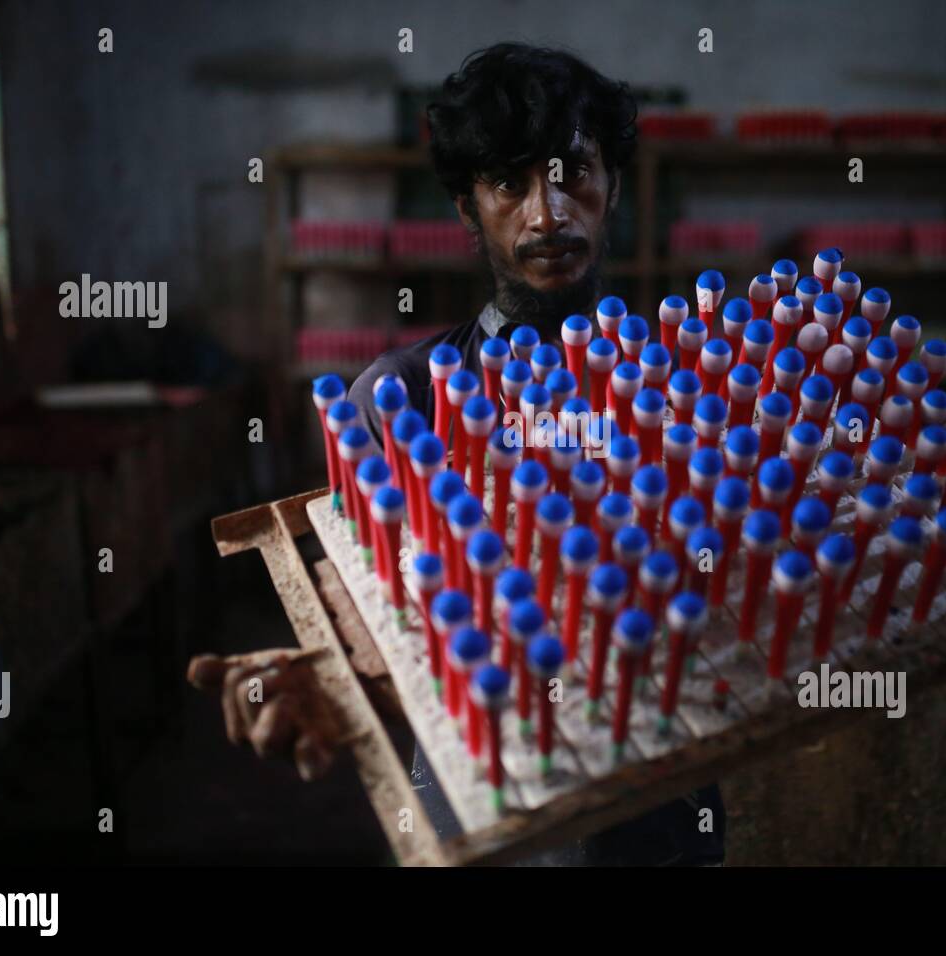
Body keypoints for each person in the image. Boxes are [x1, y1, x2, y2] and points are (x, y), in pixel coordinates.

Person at [191, 43, 725, 866]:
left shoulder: (695, 391)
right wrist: (326, 677)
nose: (548, 214)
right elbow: (365, 611)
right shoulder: (393, 401)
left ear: (612, 182)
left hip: (662, 812)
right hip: (476, 816)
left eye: (573, 170)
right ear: (469, 210)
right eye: (510, 184)